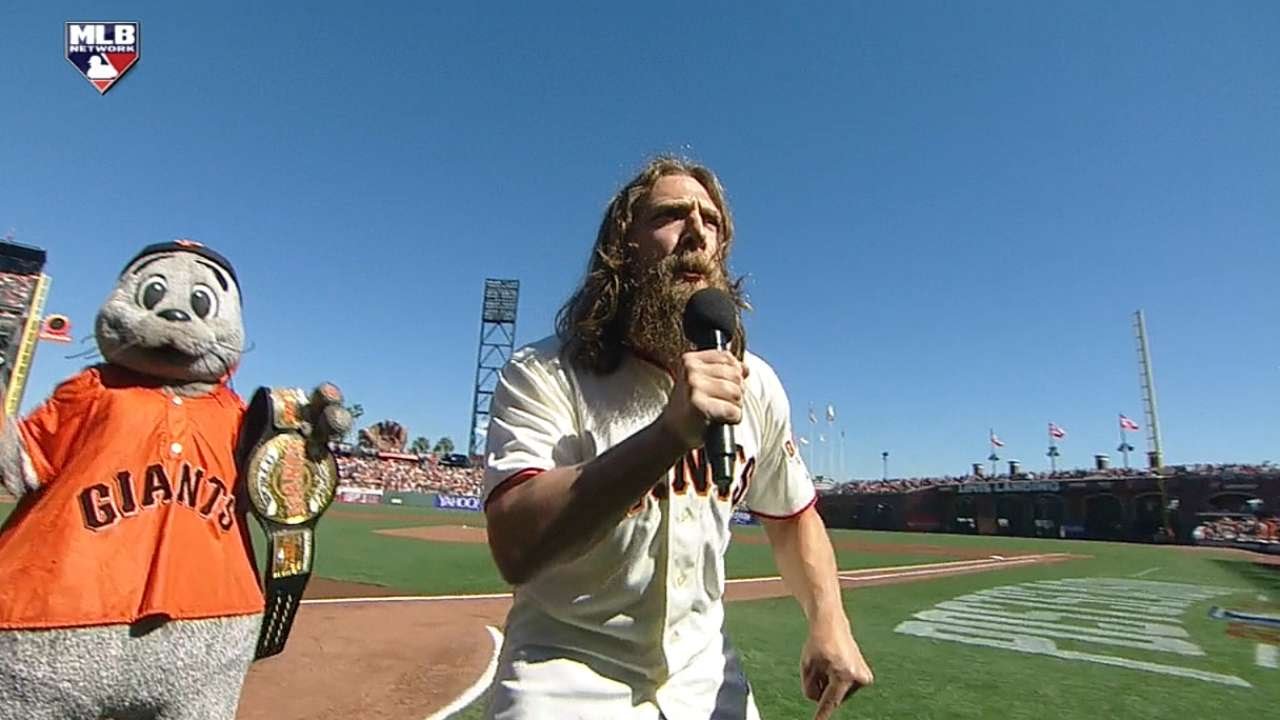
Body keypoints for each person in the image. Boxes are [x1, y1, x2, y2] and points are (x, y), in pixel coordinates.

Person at [481, 157, 873, 720]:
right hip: (565, 678)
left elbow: (794, 518)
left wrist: (829, 621)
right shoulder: (544, 372)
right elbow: (516, 545)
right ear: (621, 248)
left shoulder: (753, 381)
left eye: (711, 222)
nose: (696, 232)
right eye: (670, 215)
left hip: (706, 679)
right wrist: (669, 435)